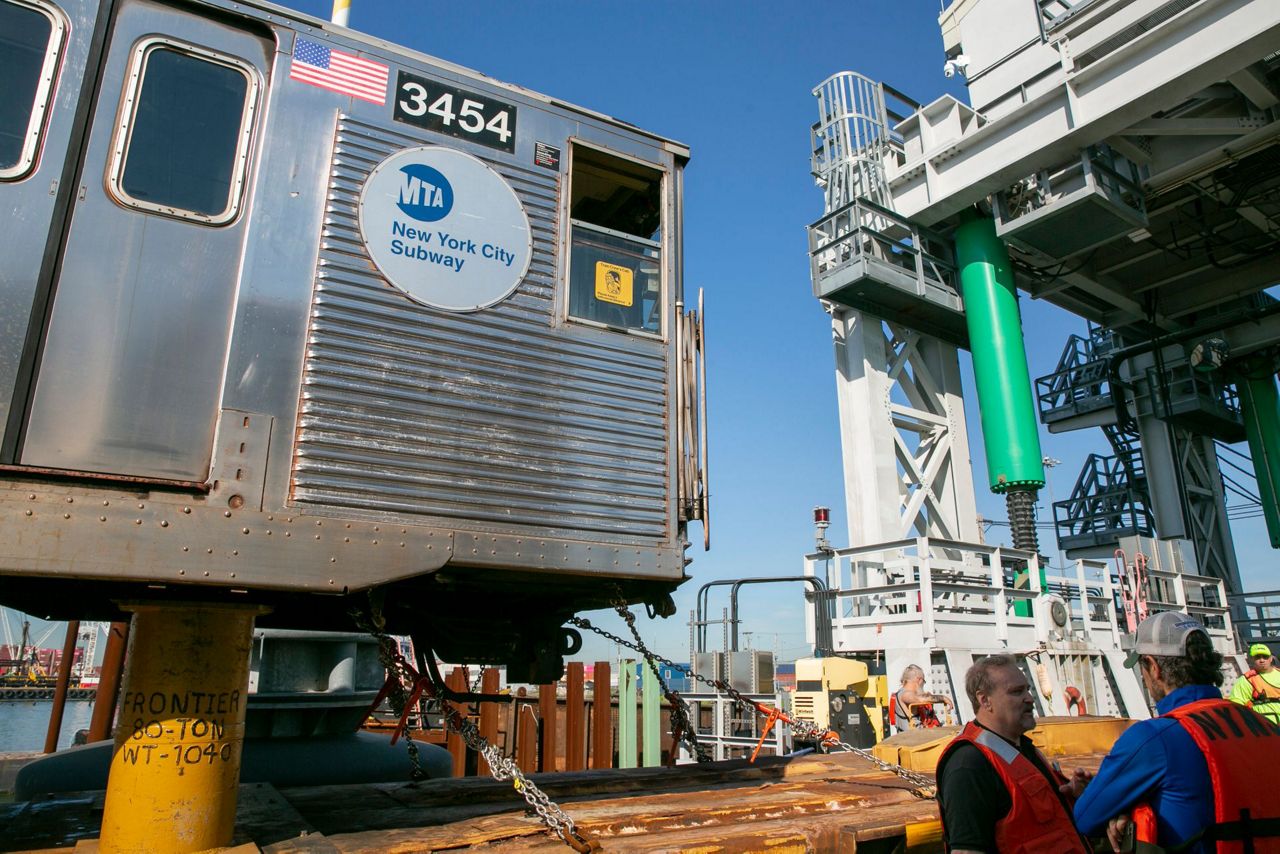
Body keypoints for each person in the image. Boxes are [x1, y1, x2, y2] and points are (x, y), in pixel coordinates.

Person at [1074, 612, 1280, 853]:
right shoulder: (1266, 727)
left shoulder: (1152, 739)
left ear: (1153, 667)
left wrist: (1129, 808)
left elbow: (1086, 818)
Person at [936, 654, 1091, 853]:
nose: (1029, 698)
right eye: (1017, 692)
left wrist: (1071, 796)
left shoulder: (1023, 749)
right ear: (985, 700)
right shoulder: (969, 765)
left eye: (1027, 689)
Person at [1229, 642, 1280, 725]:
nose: (1262, 660)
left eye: (1265, 657)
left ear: (1271, 659)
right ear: (1251, 659)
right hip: (1264, 726)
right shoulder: (1247, 679)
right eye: (1257, 657)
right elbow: (1236, 704)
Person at [893, 664, 952, 730]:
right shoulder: (905, 694)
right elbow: (920, 699)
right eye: (924, 681)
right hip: (913, 738)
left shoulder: (902, 693)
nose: (923, 684)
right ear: (919, 680)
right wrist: (943, 698)